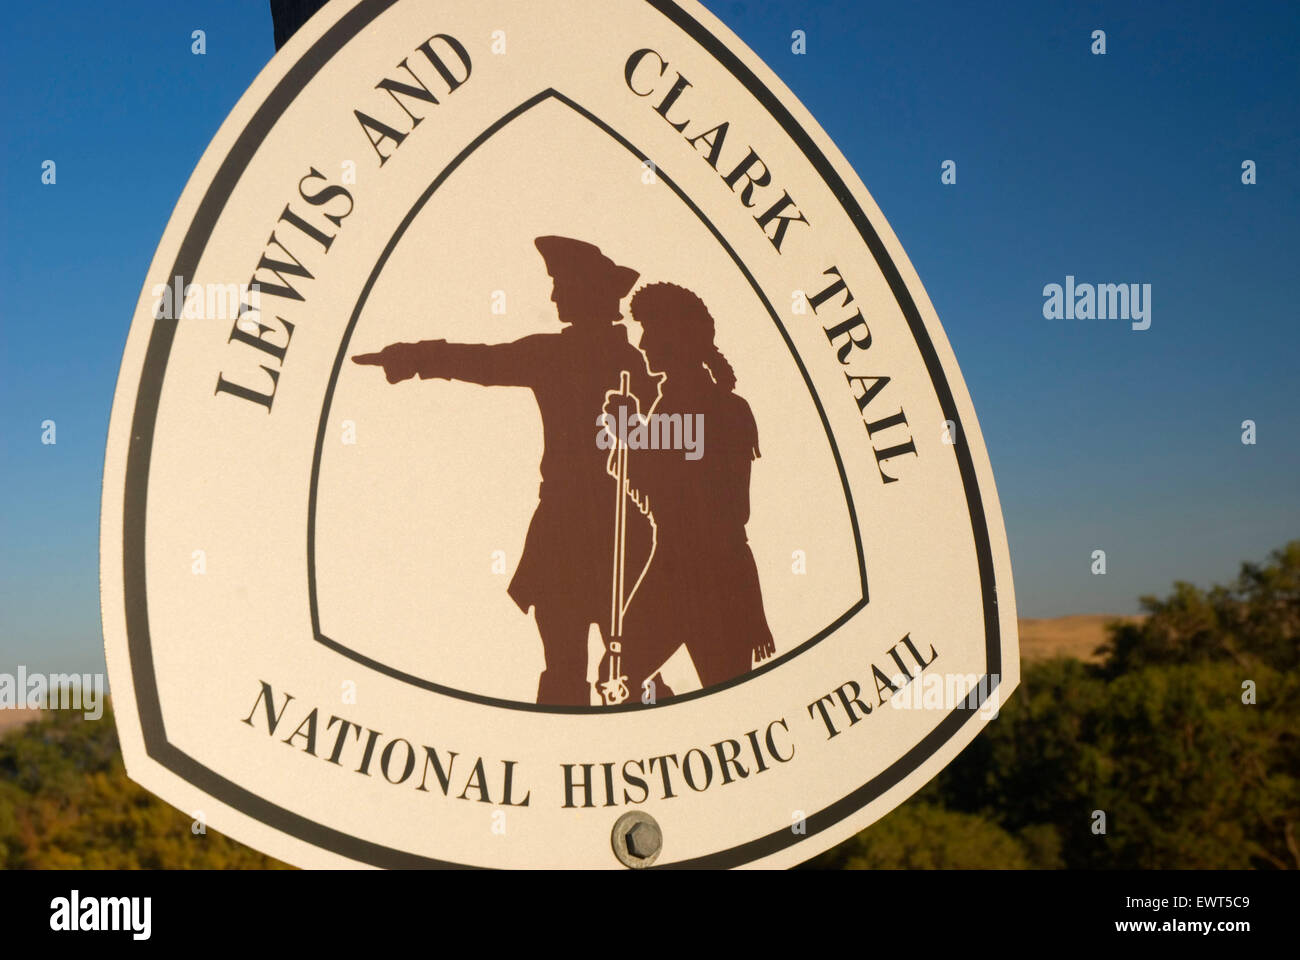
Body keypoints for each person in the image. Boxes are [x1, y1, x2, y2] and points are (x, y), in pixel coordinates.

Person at [353, 236, 659, 706]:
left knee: (623, 668)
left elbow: (666, 445)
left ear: (588, 292)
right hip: (564, 524)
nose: (554, 297)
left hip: (611, 522)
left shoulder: (627, 363)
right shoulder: (560, 353)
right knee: (565, 663)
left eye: (561, 286)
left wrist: (632, 425)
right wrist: (412, 356)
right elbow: (481, 362)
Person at [602, 282, 776, 699]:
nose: (642, 344)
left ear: (677, 337)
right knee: (616, 677)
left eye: (650, 331)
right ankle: (665, 710)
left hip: (715, 576)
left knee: (729, 698)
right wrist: (635, 436)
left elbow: (725, 504)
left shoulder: (727, 410)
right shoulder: (669, 406)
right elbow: (661, 488)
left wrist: (635, 436)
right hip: (674, 569)